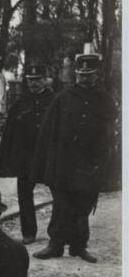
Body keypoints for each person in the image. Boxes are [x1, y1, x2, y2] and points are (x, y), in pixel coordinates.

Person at [30, 53, 118, 263]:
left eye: (89, 74)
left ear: (96, 74)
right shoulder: (63, 98)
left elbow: (113, 131)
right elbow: (47, 133)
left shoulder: (104, 99)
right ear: (76, 74)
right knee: (62, 204)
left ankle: (79, 247)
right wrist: (45, 164)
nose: (84, 78)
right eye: (81, 74)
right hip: (64, 164)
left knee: (84, 205)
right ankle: (56, 245)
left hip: (90, 162)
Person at [0, 64, 55, 244]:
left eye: (37, 80)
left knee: (59, 195)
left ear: (45, 80)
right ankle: (29, 232)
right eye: (31, 80)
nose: (34, 83)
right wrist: (7, 159)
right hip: (26, 159)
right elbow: (9, 134)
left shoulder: (55, 101)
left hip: (48, 156)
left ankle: (57, 232)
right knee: (24, 196)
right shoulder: (20, 104)